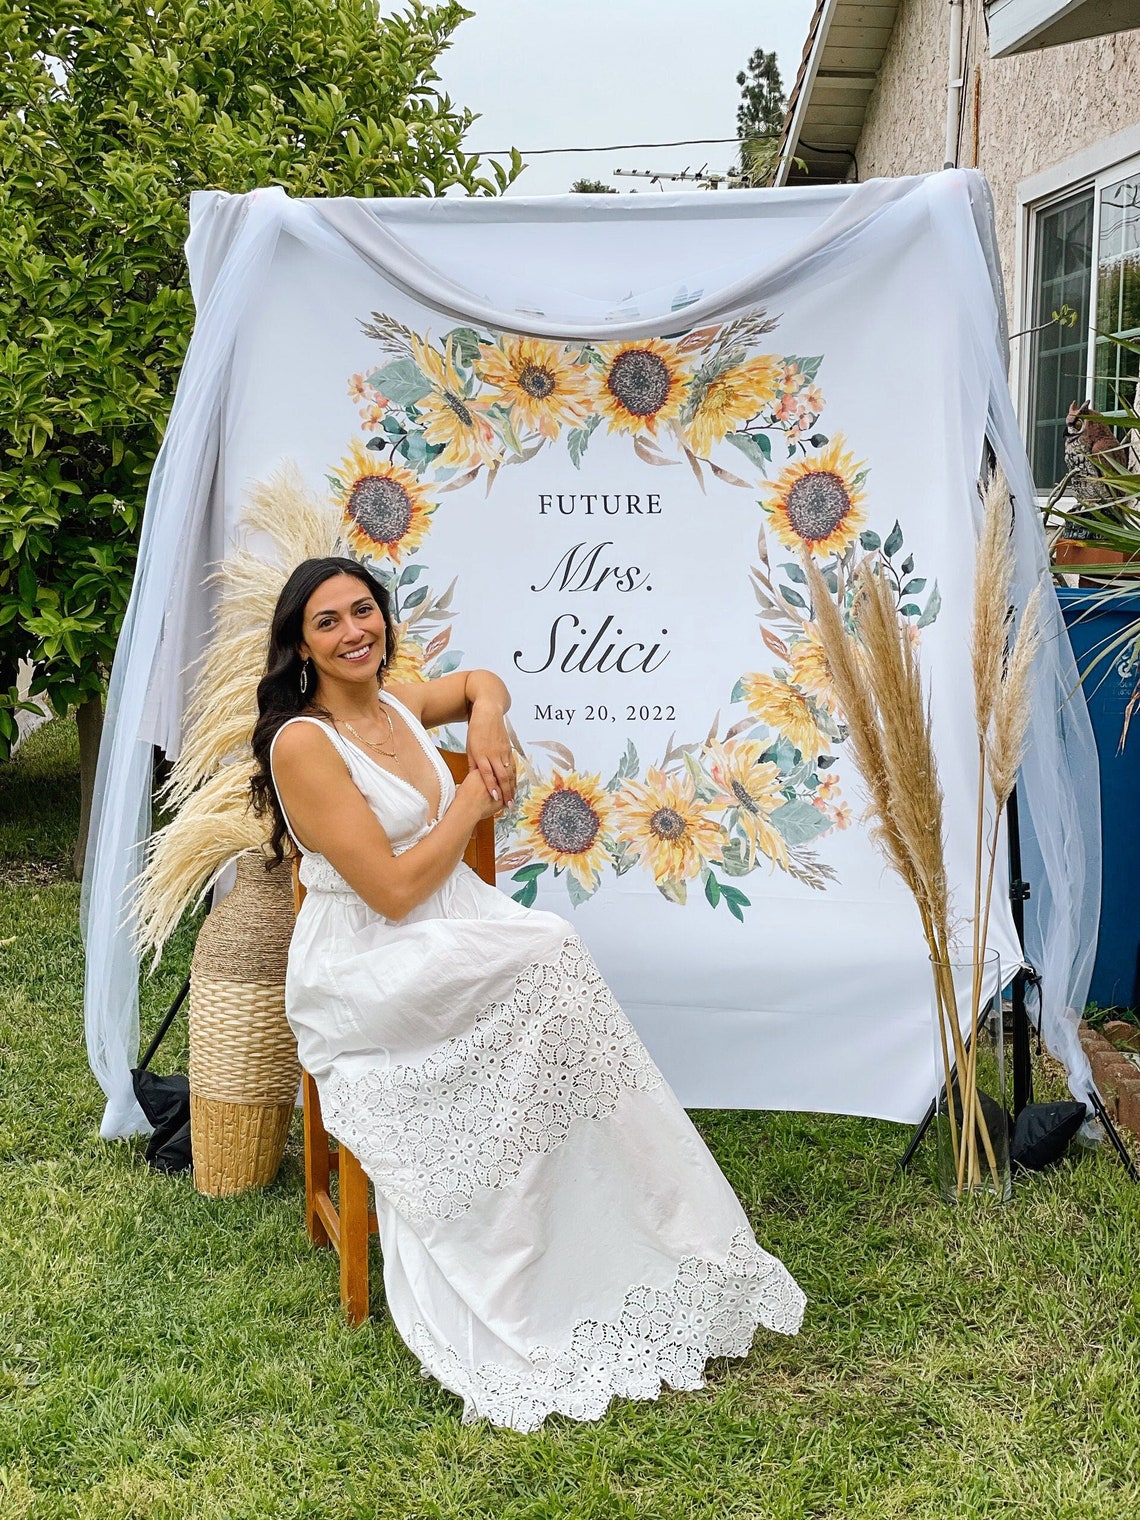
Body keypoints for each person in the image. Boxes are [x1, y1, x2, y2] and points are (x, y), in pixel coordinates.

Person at [250, 555, 805, 1431]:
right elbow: (391, 892)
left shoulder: (396, 703)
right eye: (329, 622)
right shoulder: (302, 742)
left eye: (365, 612)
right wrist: (471, 797)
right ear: (300, 647)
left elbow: (481, 681)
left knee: (552, 967)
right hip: (369, 963)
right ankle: (513, 1245)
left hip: (450, 927)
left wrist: (491, 725)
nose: (354, 632)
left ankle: (598, 1215)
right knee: (549, 951)